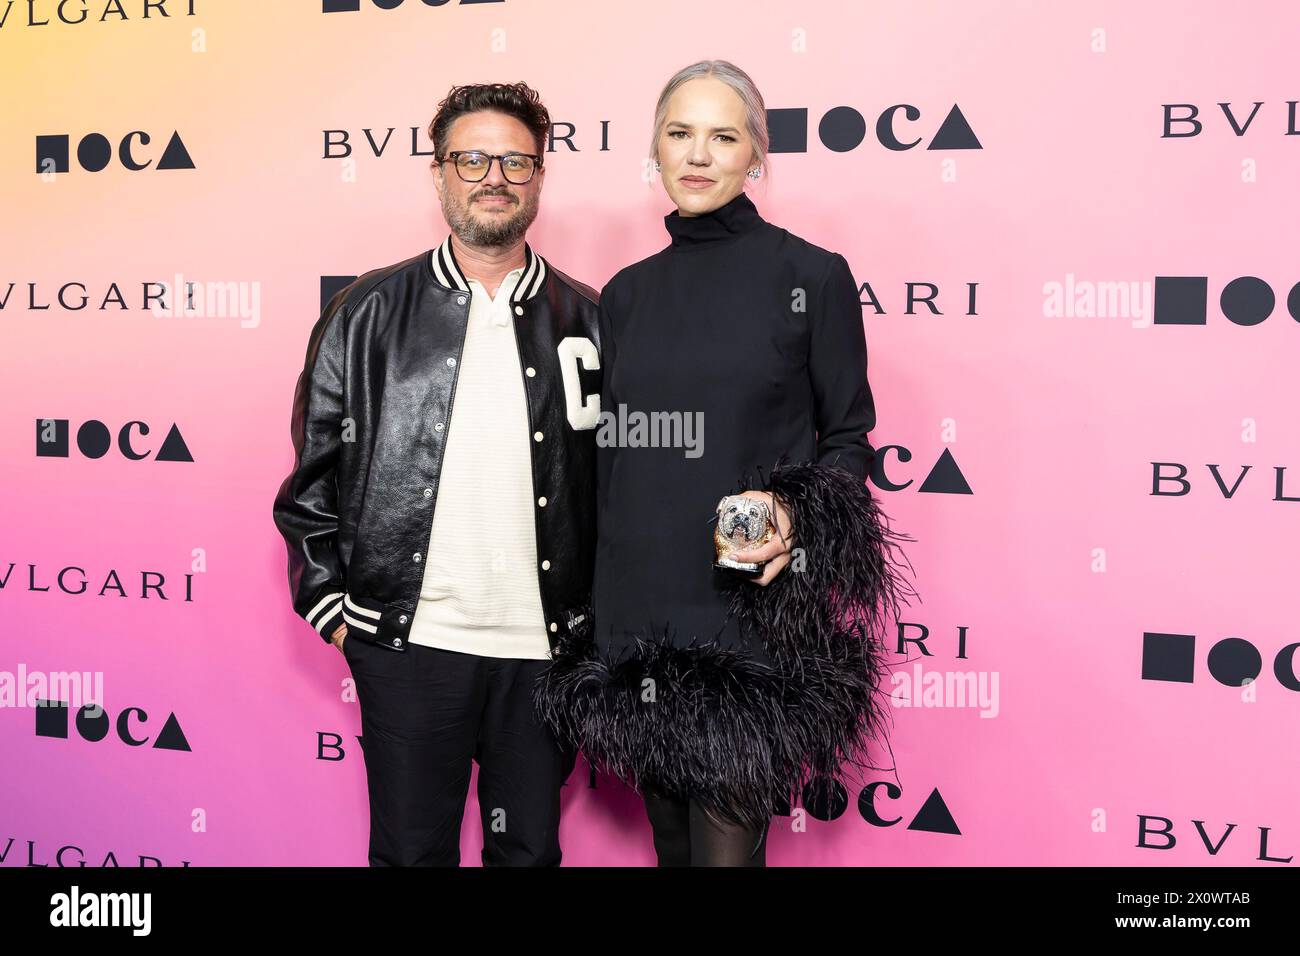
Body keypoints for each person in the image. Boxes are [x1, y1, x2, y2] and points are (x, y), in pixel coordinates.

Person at [534, 60, 915, 866]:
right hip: (639, 603)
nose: (698, 155)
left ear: (757, 159)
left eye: (722, 135)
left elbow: (848, 438)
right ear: (655, 151)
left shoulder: (811, 276)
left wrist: (794, 516)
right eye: (679, 134)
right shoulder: (628, 293)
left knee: (726, 854)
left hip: (744, 606)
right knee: (671, 843)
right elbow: (616, 450)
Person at [272, 81, 603, 866]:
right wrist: (333, 608)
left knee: (527, 854)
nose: (495, 176)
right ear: (439, 171)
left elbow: (619, 487)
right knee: (411, 854)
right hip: (410, 646)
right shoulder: (365, 313)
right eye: (473, 157)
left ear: (541, 175)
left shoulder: (591, 318)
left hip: (545, 653)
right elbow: (312, 476)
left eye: (516, 161)